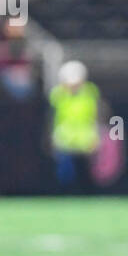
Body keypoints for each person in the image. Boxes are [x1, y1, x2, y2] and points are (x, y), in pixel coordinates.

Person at [49, 60, 100, 192]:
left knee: (88, 172)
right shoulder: (57, 94)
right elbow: (52, 117)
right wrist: (52, 137)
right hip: (65, 138)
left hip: (85, 138)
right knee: (65, 172)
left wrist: (96, 135)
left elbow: (96, 115)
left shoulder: (90, 92)